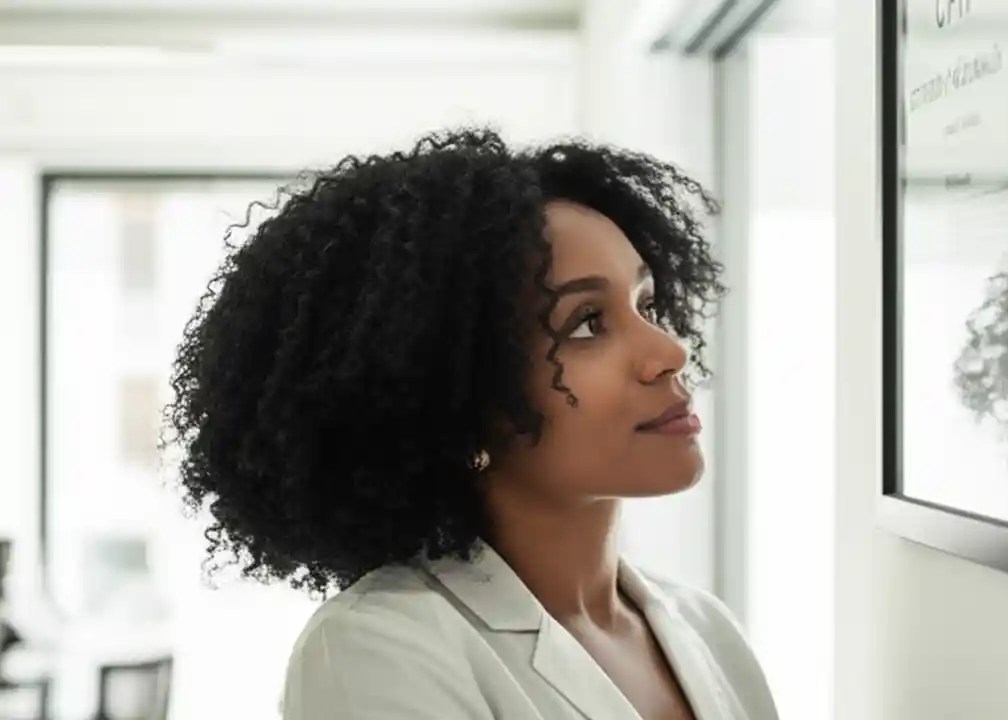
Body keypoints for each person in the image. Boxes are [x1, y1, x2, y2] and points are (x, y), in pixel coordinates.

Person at [163, 128, 778, 719]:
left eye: (645, 304)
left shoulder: (706, 630)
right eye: (587, 323)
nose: (668, 351)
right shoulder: (381, 649)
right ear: (456, 396)